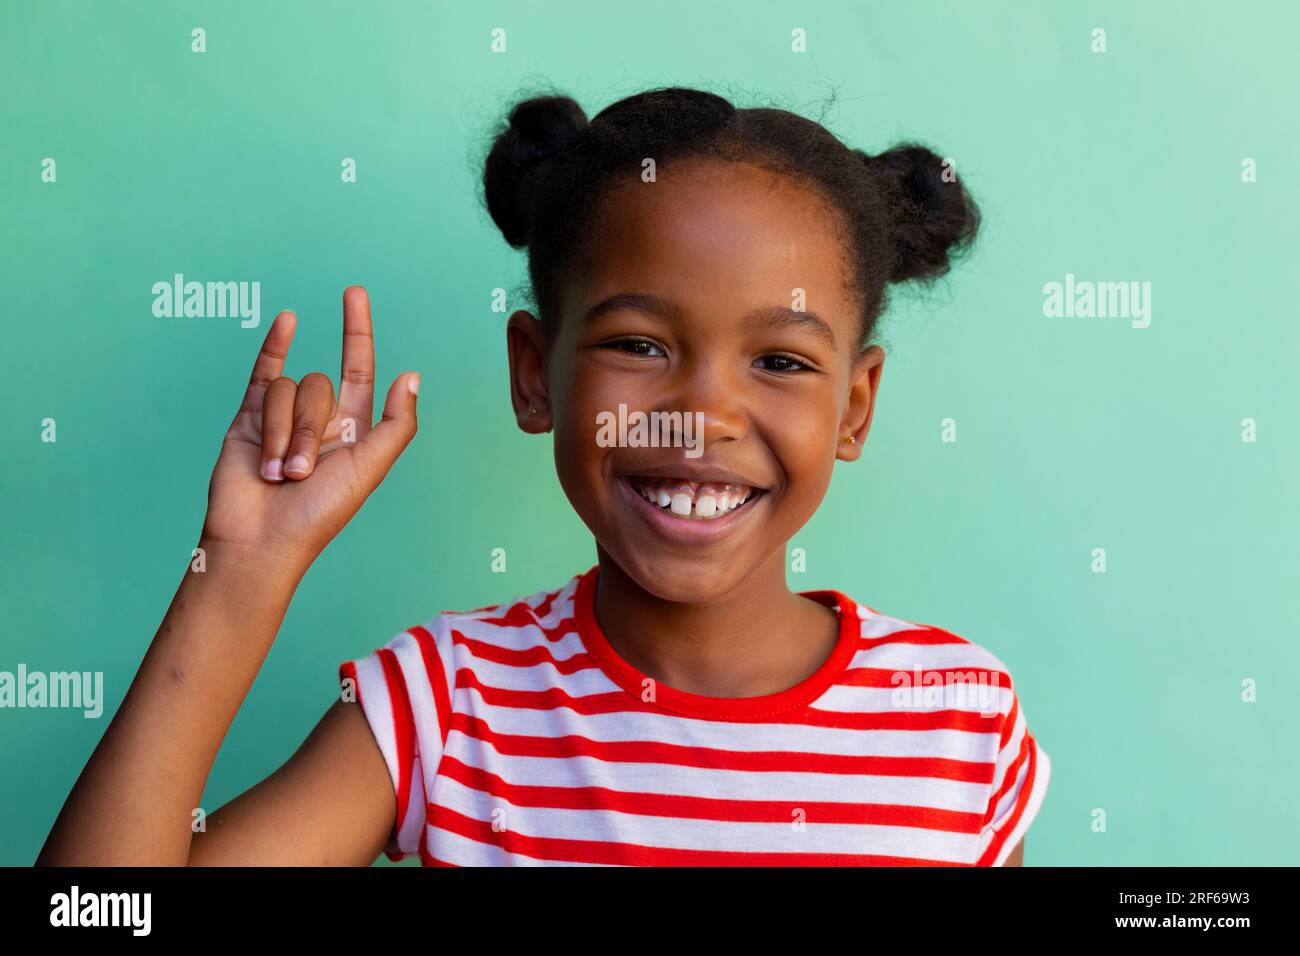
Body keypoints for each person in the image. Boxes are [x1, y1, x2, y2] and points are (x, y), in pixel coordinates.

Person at [38, 86, 1048, 867]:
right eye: (639, 343)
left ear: (855, 407)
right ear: (535, 374)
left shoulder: (957, 716)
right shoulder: (445, 705)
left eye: (779, 360)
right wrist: (243, 568)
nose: (702, 413)